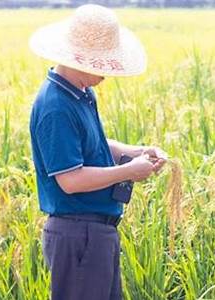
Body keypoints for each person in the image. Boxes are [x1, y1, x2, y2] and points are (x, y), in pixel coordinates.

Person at [28, 4, 167, 299]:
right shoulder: (56, 107)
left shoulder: (79, 92)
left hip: (95, 233)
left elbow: (95, 145)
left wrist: (137, 151)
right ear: (79, 58)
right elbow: (71, 180)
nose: (106, 73)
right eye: (101, 64)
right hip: (79, 234)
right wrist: (130, 170)